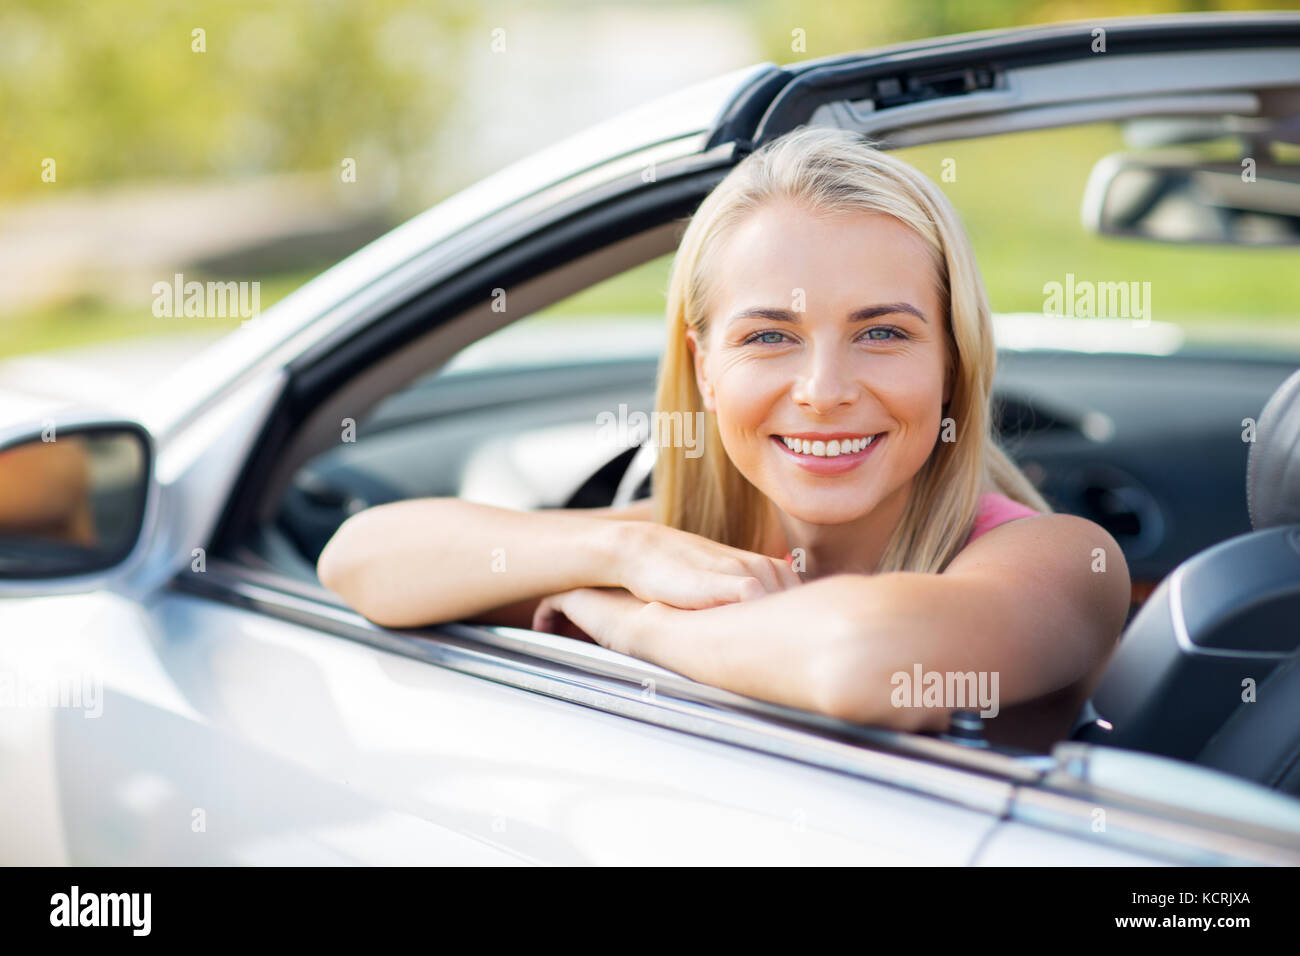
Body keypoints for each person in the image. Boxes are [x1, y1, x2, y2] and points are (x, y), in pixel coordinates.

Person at [317, 127, 1130, 752]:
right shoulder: (679, 552)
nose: (823, 391)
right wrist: (622, 558)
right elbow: (360, 557)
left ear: (953, 362)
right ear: (705, 371)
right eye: (770, 337)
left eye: (881, 333)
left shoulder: (1061, 563)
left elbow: (859, 664)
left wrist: (634, 626)